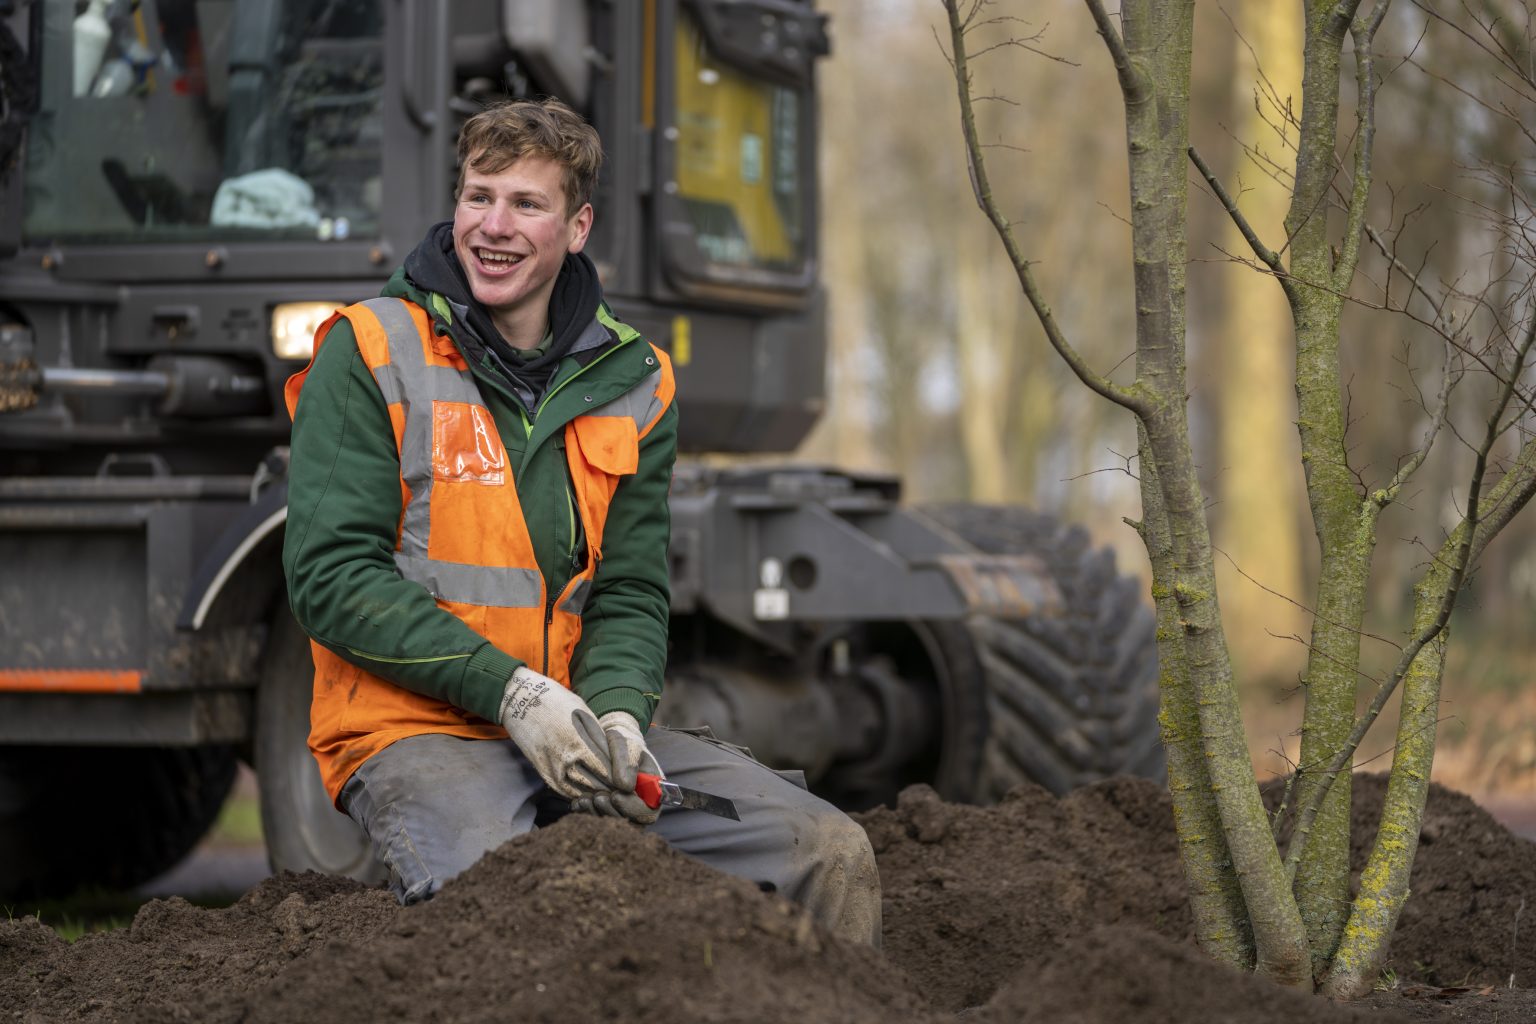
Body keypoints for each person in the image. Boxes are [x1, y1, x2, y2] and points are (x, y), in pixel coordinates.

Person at [281, 98, 880, 945]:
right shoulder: (371, 349)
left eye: (526, 204)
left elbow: (630, 591)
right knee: (519, 917)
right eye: (478, 196)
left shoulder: (639, 381)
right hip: (414, 730)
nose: (493, 226)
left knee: (829, 849)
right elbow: (329, 578)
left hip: (577, 735)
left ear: (578, 225)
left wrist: (621, 715)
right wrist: (515, 695)